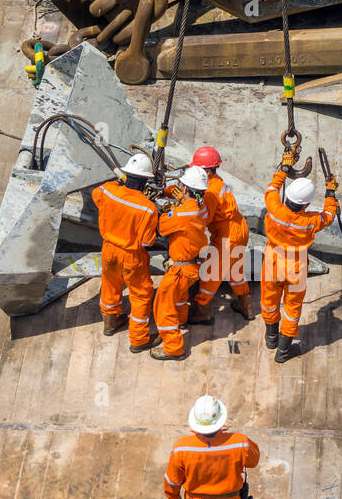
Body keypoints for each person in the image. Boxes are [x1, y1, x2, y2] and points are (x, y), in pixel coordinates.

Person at [261, 157, 339, 363]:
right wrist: (330, 193)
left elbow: (271, 189)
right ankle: (283, 351)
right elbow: (329, 215)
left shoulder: (274, 208)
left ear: (287, 196)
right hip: (296, 267)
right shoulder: (311, 221)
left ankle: (271, 338)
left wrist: (284, 168)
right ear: (306, 203)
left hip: (272, 262)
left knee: (269, 302)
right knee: (292, 308)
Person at [92, 152, 160, 352]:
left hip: (108, 250)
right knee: (140, 294)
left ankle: (110, 323)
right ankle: (139, 340)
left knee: (110, 285)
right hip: (131, 256)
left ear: (126, 175)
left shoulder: (107, 192)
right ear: (145, 182)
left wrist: (119, 184)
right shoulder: (148, 209)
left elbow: (97, 194)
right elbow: (148, 241)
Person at [186, 146, 254, 324]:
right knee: (234, 269)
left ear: (207, 171)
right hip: (240, 229)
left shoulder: (210, 192)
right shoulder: (216, 180)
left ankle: (203, 311)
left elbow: (204, 220)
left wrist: (185, 206)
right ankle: (246, 305)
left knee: (211, 273)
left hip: (226, 237)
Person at [150, 166, 211, 361]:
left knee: (163, 306)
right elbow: (187, 211)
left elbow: (161, 227)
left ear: (185, 189)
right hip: (191, 267)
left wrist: (167, 210)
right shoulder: (201, 207)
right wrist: (176, 200)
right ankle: (182, 321)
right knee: (179, 299)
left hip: (180, 268)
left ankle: (173, 348)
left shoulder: (183, 214)